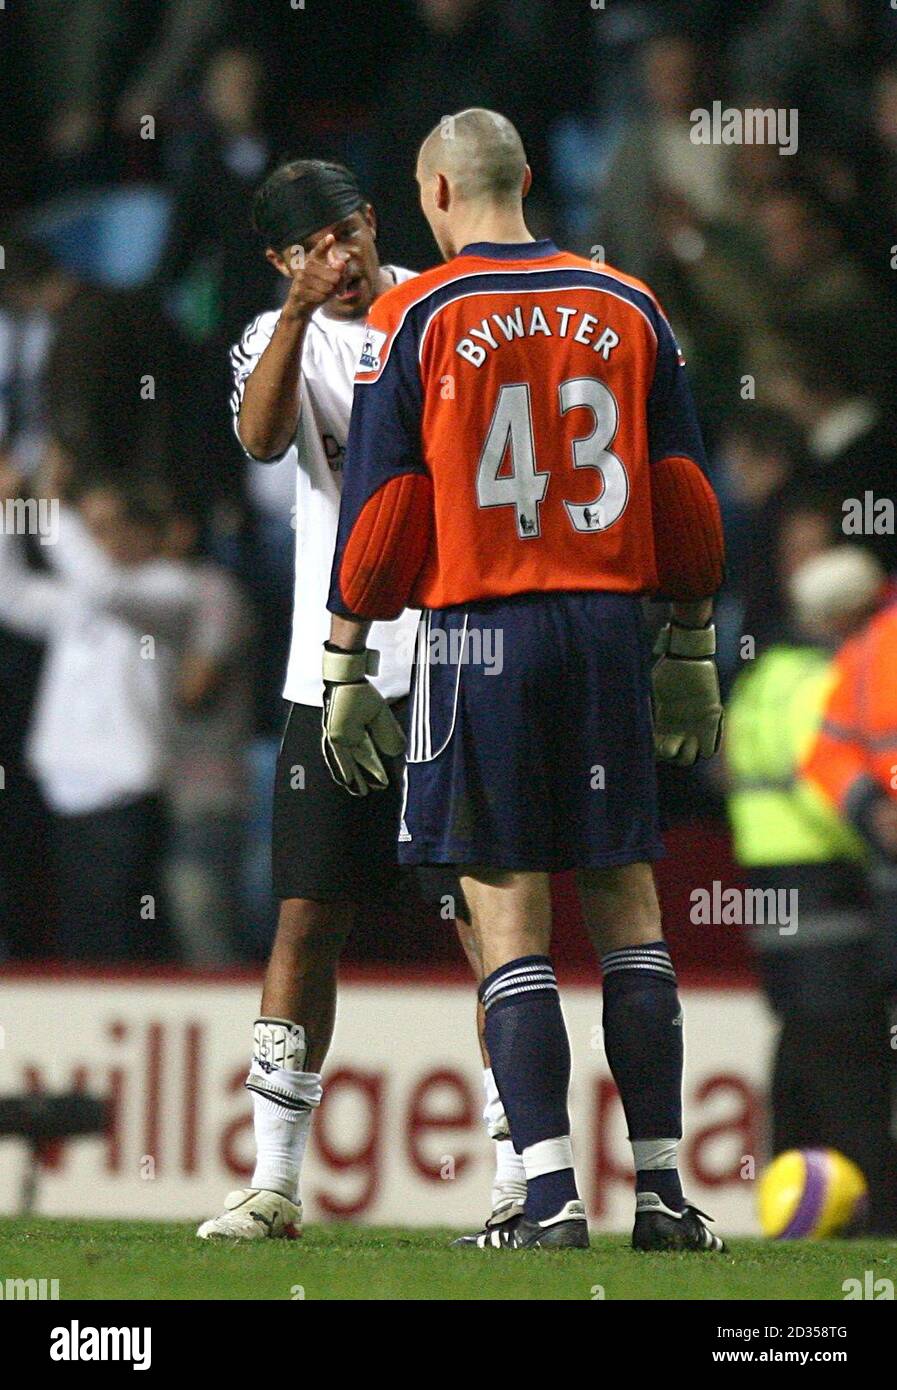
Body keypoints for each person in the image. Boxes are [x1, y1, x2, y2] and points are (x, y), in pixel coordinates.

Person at [323, 109, 726, 1251]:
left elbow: (388, 508)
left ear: (437, 195)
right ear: (530, 179)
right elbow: (683, 486)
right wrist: (691, 642)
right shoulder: (629, 301)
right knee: (629, 909)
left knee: (511, 920)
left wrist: (345, 657)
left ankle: (548, 1197)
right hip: (606, 625)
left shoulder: (415, 312)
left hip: (478, 636)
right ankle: (662, 1196)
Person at [198, 158, 524, 1241]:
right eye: (307, 253)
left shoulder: (446, 313)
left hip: (457, 661)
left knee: (486, 921)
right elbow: (256, 436)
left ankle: (524, 1177)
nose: (333, 263)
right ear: (280, 263)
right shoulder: (277, 333)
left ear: (373, 221)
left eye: (342, 237)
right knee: (305, 919)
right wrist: (296, 309)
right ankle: (277, 1180)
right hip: (325, 677)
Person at [725, 544, 897, 1233]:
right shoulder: (821, 679)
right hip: (831, 885)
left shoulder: (764, 672)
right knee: (847, 1056)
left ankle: (796, 1198)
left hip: (768, 882)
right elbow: (828, 782)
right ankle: (868, 1211)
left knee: (799, 1043)